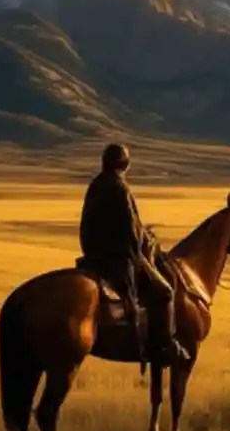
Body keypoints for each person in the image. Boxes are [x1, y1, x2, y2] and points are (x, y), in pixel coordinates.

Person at [80, 143, 191, 365]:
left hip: (92, 256)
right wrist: (143, 245)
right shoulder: (120, 188)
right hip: (118, 259)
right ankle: (162, 347)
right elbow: (130, 231)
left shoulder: (96, 184)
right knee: (165, 292)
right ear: (125, 164)